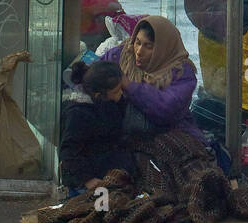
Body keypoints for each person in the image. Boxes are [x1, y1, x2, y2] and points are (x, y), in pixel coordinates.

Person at [101, 14, 205, 142]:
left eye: (148, 46)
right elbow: (94, 72)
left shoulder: (181, 73)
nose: (139, 51)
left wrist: (128, 85)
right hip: (120, 128)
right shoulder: (121, 55)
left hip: (168, 132)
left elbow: (167, 108)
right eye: (137, 42)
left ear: (163, 49)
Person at [60, 60, 136, 193]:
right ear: (99, 95)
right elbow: (69, 152)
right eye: (117, 91)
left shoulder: (108, 102)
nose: (121, 94)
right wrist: (88, 180)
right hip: (90, 180)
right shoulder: (79, 113)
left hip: (111, 172)